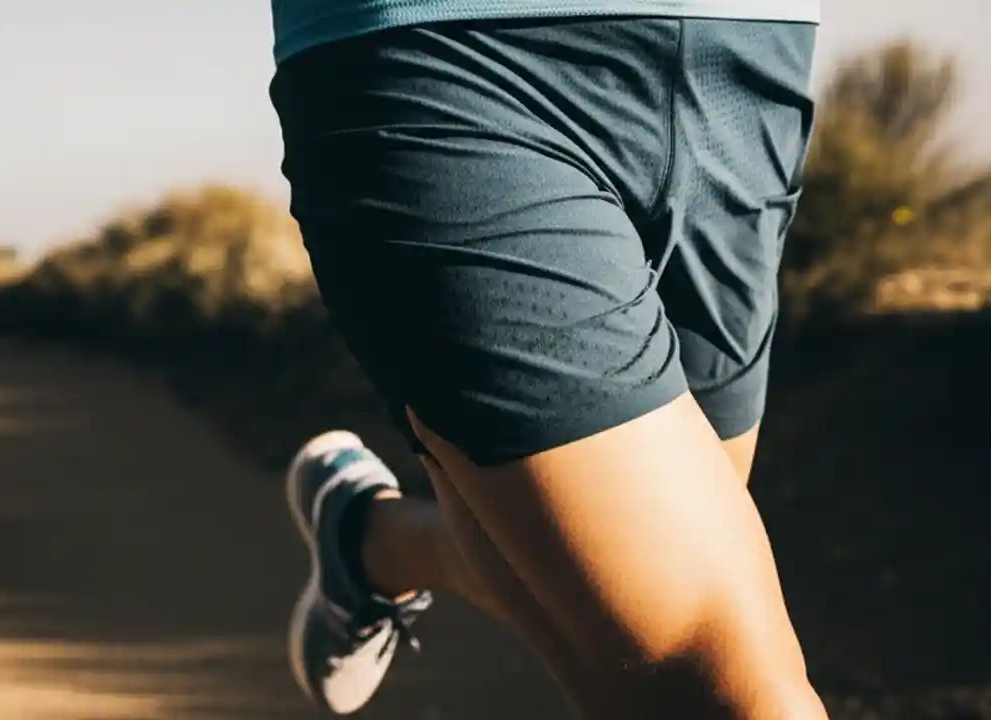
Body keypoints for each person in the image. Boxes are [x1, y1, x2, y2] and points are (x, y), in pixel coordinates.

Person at [268, 1, 826, 716]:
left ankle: (374, 545)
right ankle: (371, 545)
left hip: (749, 55)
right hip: (447, 59)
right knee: (713, 678)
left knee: (619, 603)